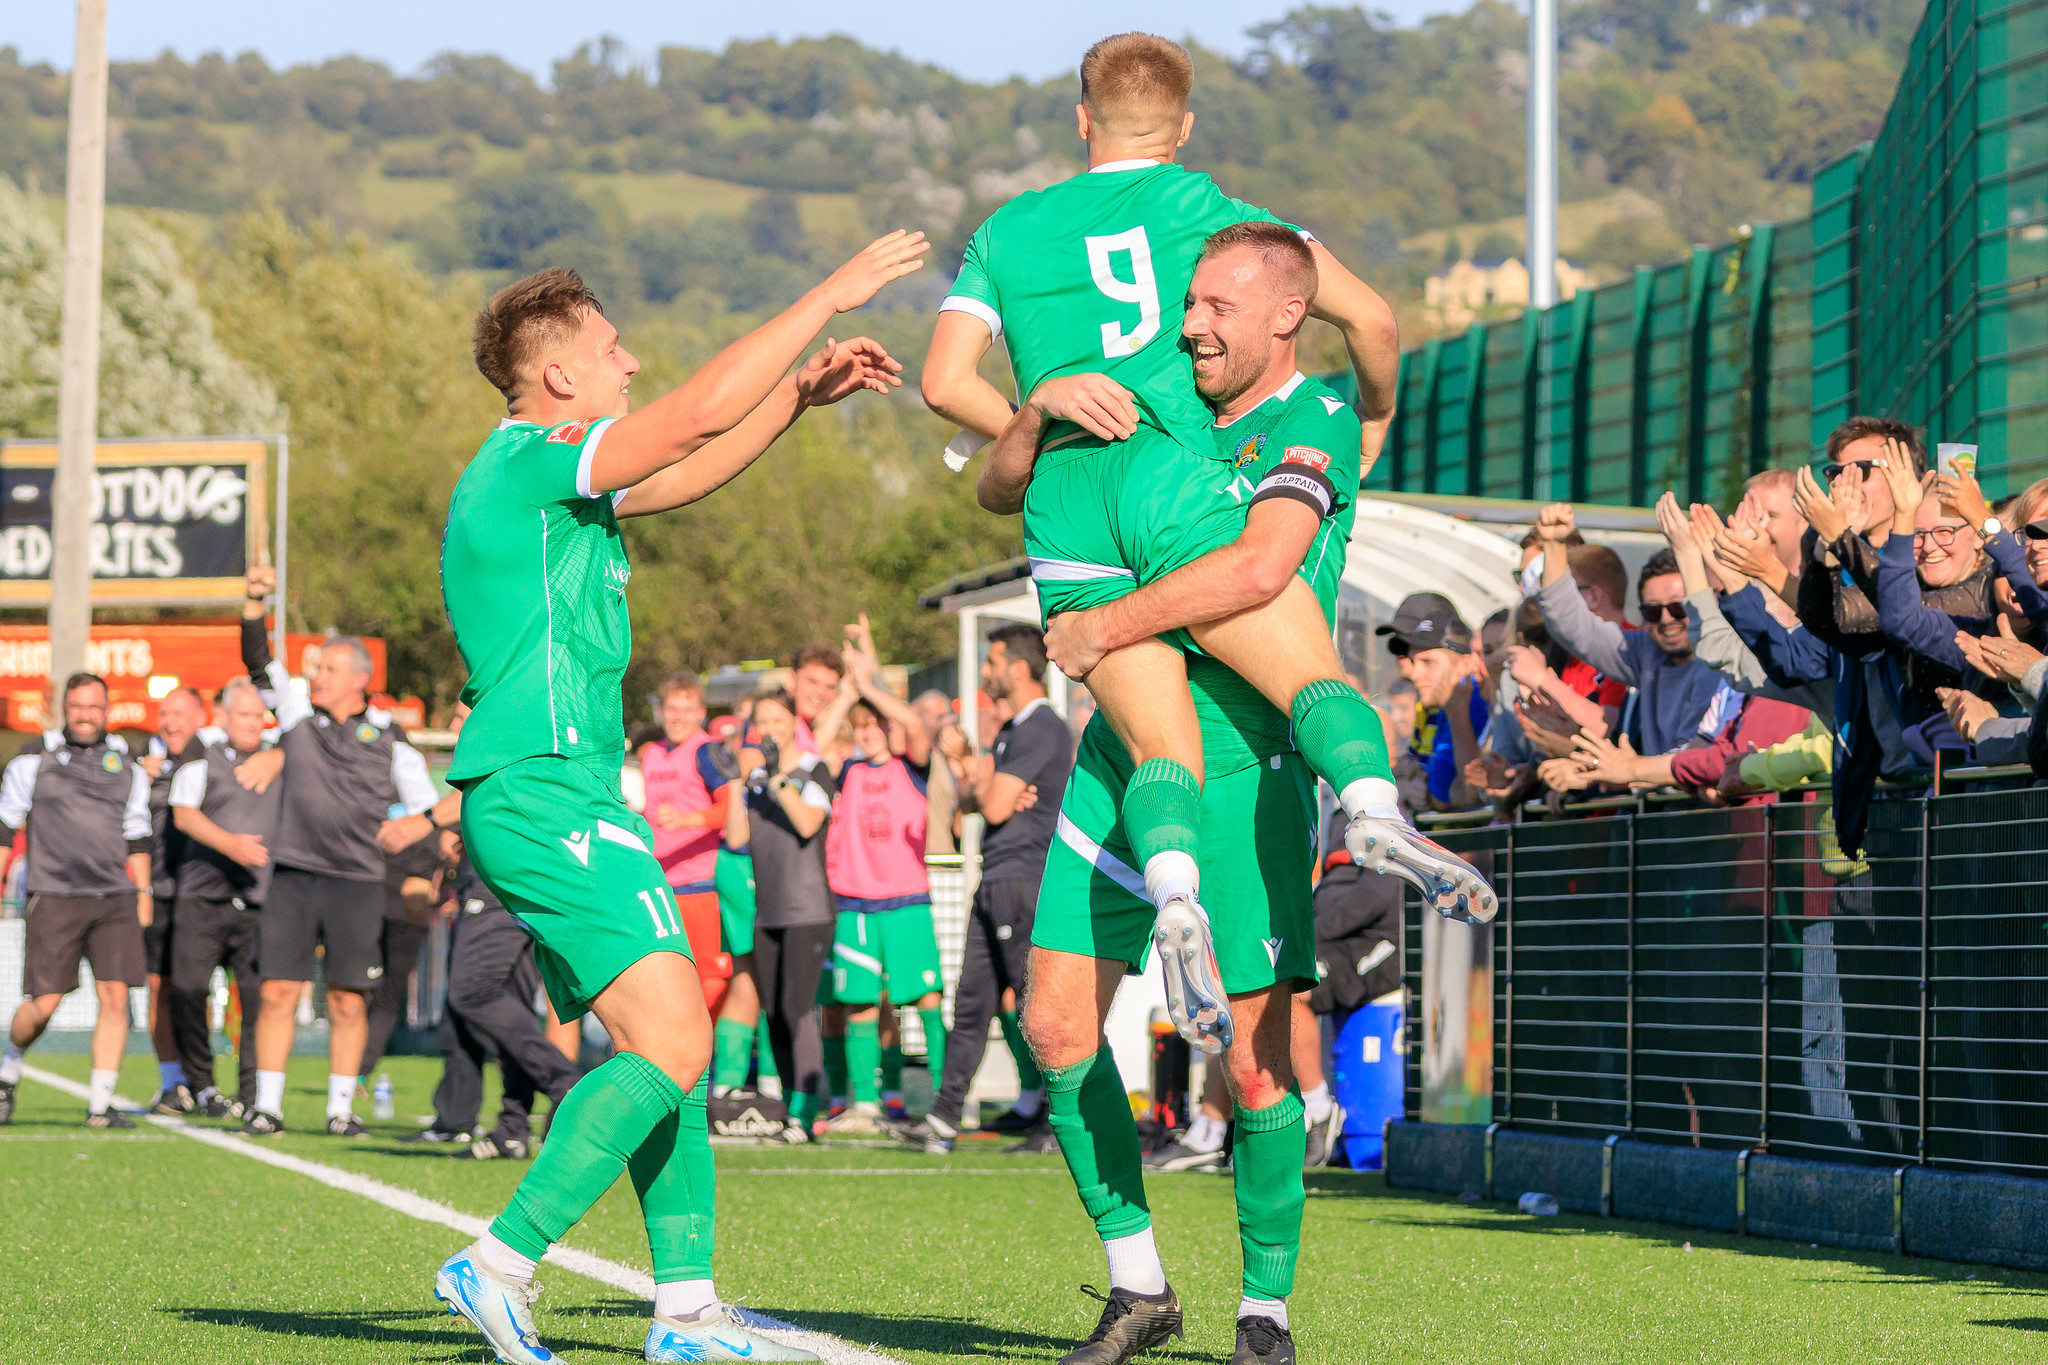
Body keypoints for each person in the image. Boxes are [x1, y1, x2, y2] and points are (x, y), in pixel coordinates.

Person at [926, 34, 1485, 1062]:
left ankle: (1171, 890)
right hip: (1167, 475)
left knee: (1149, 740)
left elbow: (939, 381)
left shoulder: (1008, 228)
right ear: (1182, 129)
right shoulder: (1215, 214)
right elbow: (1369, 317)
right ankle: (1372, 804)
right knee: (1305, 666)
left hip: (1060, 494)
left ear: (1081, 121)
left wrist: (1033, 411)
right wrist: (1371, 418)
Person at [433, 227, 921, 1365]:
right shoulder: (524, 464)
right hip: (538, 789)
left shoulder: (562, 490)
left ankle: (686, 1312)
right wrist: (827, 293)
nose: (630, 362)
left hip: (566, 791)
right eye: (611, 348)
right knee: (670, 1044)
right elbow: (694, 411)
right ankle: (497, 1264)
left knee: (676, 1044)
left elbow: (691, 463)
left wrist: (795, 399)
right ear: (557, 377)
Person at [988, 228, 1366, 1365]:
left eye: (1214, 308)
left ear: (1286, 315)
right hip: (1120, 755)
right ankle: (1138, 1286)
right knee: (1055, 1027)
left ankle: (1265, 1315)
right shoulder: (1160, 404)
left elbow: (1252, 573)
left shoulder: (1319, 419)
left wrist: (1102, 622)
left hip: (1244, 771)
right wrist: (1035, 406)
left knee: (1251, 1065)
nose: (1190, 326)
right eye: (1187, 304)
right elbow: (1006, 484)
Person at [236, 572, 441, 1138]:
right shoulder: (300, 714)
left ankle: (341, 1110)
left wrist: (412, 846)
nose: (314, 675)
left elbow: (426, 809)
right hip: (295, 877)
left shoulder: (389, 737)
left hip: (357, 883)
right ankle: (267, 1107)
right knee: (277, 991)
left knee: (350, 1000)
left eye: (325, 668)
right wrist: (255, 599)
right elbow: (258, 658)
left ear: (356, 678)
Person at [893, 624, 1072, 1158]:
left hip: (1024, 879)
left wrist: (991, 787)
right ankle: (944, 1122)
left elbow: (992, 805)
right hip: (995, 877)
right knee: (972, 1004)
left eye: (991, 662)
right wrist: (970, 768)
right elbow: (979, 800)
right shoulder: (1010, 731)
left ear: (1018, 669)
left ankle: (1053, 1120)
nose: (985, 672)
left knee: (1038, 1006)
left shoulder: (1042, 728)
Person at [805, 616, 947, 1135]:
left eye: (874, 725)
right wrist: (848, 696)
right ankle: (864, 1105)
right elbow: (813, 747)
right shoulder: (845, 771)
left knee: (925, 1000)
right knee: (858, 1002)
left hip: (906, 899)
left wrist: (872, 687)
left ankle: (942, 1102)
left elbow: (914, 725)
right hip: (853, 903)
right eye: (860, 727)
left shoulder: (912, 765)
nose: (868, 734)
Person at [0, 672, 153, 1128]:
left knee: (114, 997)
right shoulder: (34, 758)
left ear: (108, 710)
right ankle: (8, 1072)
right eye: (77, 706)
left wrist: (143, 893)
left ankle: (100, 1106)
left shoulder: (127, 763)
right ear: (64, 708)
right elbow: (6, 828)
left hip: (115, 898)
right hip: (55, 896)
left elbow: (138, 833)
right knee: (44, 1005)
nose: (86, 715)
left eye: (95, 707)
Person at [1534, 506, 1742, 763]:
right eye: (1653, 611)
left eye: (1680, 607)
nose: (1667, 619)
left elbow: (1695, 758)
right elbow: (1572, 626)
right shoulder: (1646, 652)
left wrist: (1626, 771)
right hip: (1660, 797)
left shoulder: (1730, 658)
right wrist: (1554, 544)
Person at [166, 678, 282, 1120]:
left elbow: (303, 746)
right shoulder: (203, 755)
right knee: (190, 992)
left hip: (258, 902)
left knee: (256, 1001)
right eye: (246, 715)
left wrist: (280, 754)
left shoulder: (278, 755)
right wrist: (230, 844)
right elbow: (183, 813)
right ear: (224, 717)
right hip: (203, 897)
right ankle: (203, 1085)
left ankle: (251, 1094)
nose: (255, 724)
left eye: (259, 715)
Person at [733, 686, 840, 1144]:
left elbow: (807, 823)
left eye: (778, 719)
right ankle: (789, 1105)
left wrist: (778, 778)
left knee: (799, 1010)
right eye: (763, 721)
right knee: (774, 1012)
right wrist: (735, 786)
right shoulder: (755, 776)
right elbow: (737, 837)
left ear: (794, 721)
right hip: (767, 911)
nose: (770, 729)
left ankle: (804, 1112)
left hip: (807, 910)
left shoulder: (814, 770)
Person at [640, 673, 737, 1019]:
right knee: (670, 978)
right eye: (671, 708)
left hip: (701, 883)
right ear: (661, 711)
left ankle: (700, 1062)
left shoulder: (707, 752)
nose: (678, 716)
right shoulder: (652, 754)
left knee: (711, 978)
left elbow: (730, 809)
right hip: (661, 885)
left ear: (701, 713)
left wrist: (687, 820)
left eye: (687, 709)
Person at [141, 684, 216, 1115]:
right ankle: (173, 1084)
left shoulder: (215, 758)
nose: (169, 722)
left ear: (200, 716)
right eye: (163, 714)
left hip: (208, 894)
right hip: (162, 892)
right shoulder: (146, 763)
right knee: (161, 986)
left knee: (195, 990)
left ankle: (206, 1083)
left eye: (178, 713)